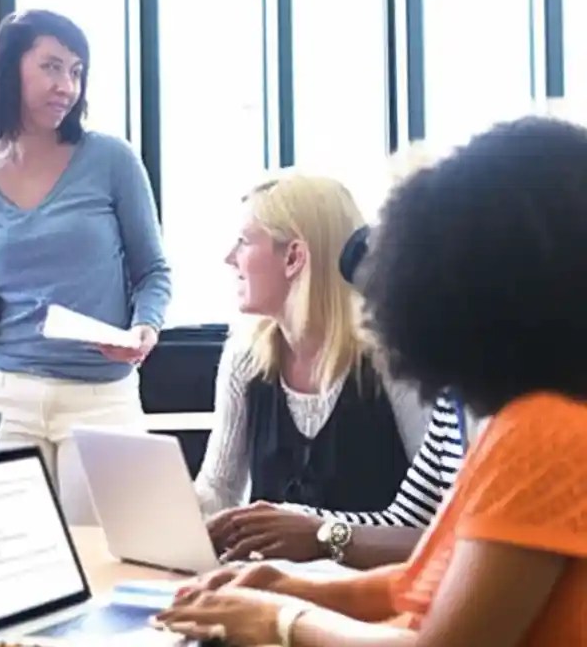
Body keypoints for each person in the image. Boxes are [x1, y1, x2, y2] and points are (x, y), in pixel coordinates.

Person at [156, 116, 587, 645]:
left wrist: (281, 621)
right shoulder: (517, 418)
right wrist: (292, 587)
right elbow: (427, 578)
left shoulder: (544, 433)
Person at [0, 9, 172, 524]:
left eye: (76, 71)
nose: (66, 85)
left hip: (100, 395)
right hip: (6, 393)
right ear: (9, 70)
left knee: (107, 557)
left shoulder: (112, 159)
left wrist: (144, 328)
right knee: (8, 562)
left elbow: (153, 271)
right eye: (51, 67)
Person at [205, 226, 469, 568]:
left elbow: (464, 551)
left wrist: (321, 537)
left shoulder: (518, 416)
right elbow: (409, 522)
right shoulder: (454, 399)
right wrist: (295, 524)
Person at [195, 173, 428, 528]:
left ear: (293, 258)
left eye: (243, 242)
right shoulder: (245, 356)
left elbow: (435, 515)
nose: (229, 258)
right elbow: (219, 488)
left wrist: (315, 531)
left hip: (372, 581)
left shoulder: (391, 358)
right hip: (266, 578)